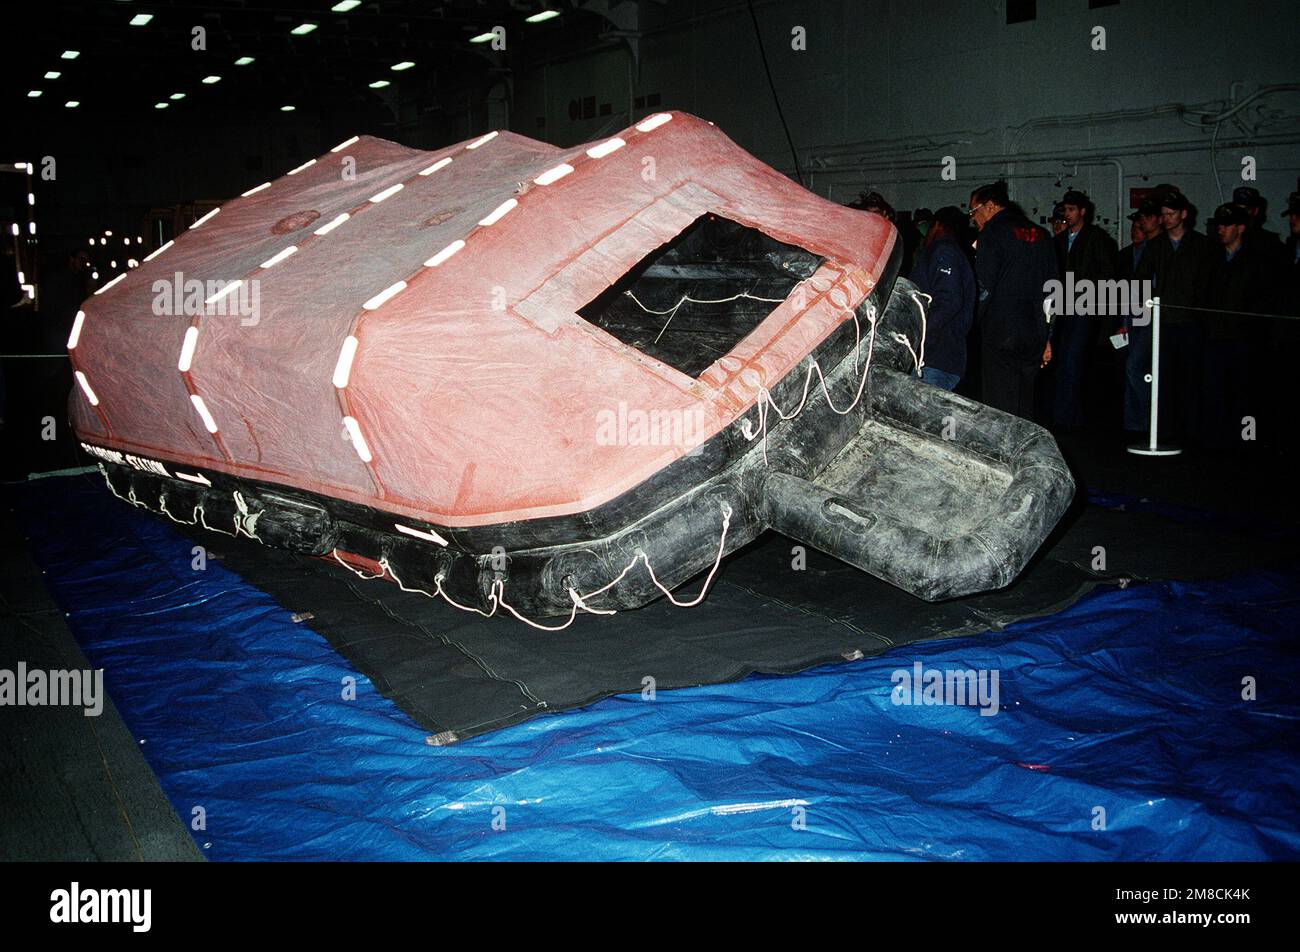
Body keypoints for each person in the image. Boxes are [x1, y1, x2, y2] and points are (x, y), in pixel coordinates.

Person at [968, 181, 1057, 418]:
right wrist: (1048, 336)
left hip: (1002, 329)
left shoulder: (991, 233)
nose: (973, 218)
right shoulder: (1042, 234)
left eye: (973, 211)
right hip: (1034, 330)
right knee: (1025, 398)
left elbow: (983, 285)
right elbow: (1052, 291)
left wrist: (972, 323)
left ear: (989, 206)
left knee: (1000, 401)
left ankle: (1002, 454)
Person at [1134, 190, 1211, 443]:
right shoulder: (1155, 246)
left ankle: (1193, 432)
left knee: (1191, 378)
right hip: (1164, 322)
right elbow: (1142, 280)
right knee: (1164, 379)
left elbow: (1209, 284)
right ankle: (1165, 430)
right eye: (1164, 215)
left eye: (1171, 214)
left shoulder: (1201, 245)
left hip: (1191, 321)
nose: (1166, 219)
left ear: (1184, 214)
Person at [1200, 203, 1273, 449]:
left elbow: (1263, 300)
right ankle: (1216, 441)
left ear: (1240, 228)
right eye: (1219, 225)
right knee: (1214, 390)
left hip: (1244, 338)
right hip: (1216, 336)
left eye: (1227, 225)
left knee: (1244, 393)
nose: (1221, 229)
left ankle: (1244, 442)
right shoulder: (1213, 258)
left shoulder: (1257, 261)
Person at [1050, 189, 1117, 429]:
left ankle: (1069, 418)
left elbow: (1107, 276)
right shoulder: (1059, 240)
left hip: (1083, 308)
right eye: (1065, 210)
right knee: (1062, 362)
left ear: (1082, 211)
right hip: (1063, 308)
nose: (1066, 214)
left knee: (1074, 362)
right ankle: (1063, 416)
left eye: (1070, 210)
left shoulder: (1097, 239)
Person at [908, 206, 976, 391]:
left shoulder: (943, 251)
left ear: (937, 225)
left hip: (935, 358)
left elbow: (949, 302)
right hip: (939, 357)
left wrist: (919, 337)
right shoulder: (951, 252)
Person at [1118, 200, 1162, 434]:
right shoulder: (1128, 255)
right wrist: (1124, 322)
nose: (1137, 228)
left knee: (1136, 368)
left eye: (1141, 224)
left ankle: (1149, 420)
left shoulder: (1155, 251)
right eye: (1135, 224)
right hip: (1134, 316)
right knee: (1131, 368)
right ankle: (1134, 422)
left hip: (1150, 316)